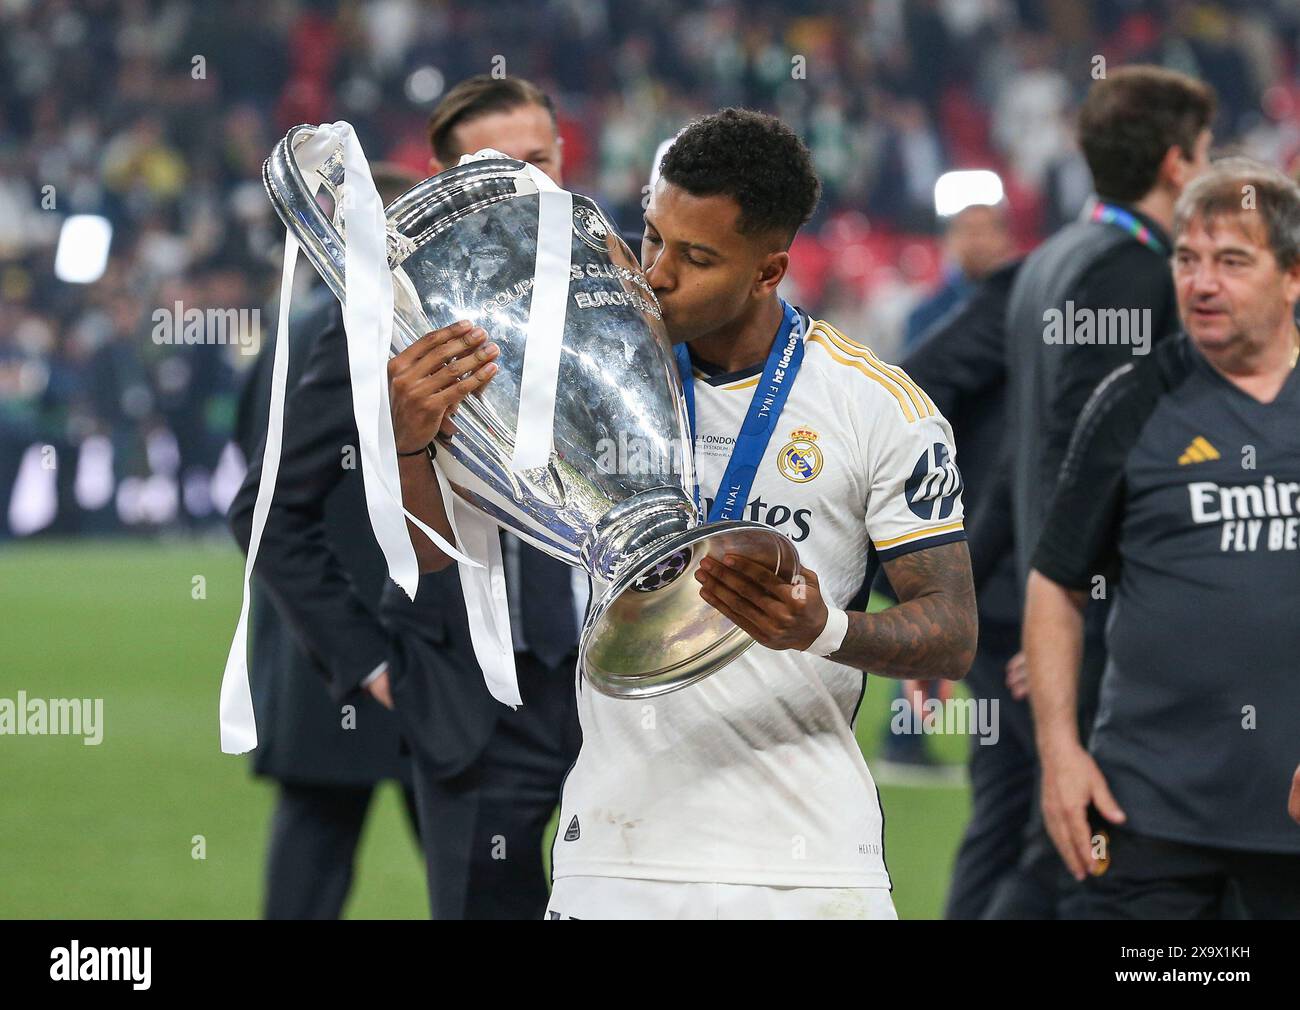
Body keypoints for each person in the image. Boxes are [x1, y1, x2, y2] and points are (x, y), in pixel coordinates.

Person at [392, 108, 978, 920]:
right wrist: (408, 444)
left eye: (696, 257)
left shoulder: (878, 408)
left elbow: (951, 629)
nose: (657, 272)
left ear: (769, 271)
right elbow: (437, 560)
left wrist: (823, 630)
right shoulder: (575, 381)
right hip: (614, 857)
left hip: (805, 869)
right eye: (652, 237)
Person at [231, 75, 583, 920]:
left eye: (537, 161)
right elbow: (268, 511)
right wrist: (372, 664)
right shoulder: (375, 319)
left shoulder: (612, 294)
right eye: (492, 168)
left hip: (614, 691)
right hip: (472, 698)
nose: (522, 186)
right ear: (444, 180)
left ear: (565, 160)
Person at [1027, 158, 1300, 919]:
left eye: (1232, 262)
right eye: (1188, 260)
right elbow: (1056, 582)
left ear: (1294, 277)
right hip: (1144, 818)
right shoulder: (1132, 399)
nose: (1202, 284)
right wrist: (1060, 754)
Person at [991, 64, 1215, 918]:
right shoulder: (1131, 273)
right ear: (1174, 164)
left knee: (1043, 842)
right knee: (1082, 856)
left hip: (1057, 600)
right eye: (1202, 150)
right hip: (1097, 619)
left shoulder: (1052, 259)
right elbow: (1089, 458)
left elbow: (1028, 450)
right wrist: (1069, 608)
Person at [231, 164, 421, 920]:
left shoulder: (291, 325)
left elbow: (255, 480)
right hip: (405, 623)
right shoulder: (396, 324)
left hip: (311, 629)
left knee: (311, 848)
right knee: (471, 860)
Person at [903, 202, 1014, 349]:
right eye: (969, 231)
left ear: (1004, 238)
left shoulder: (1021, 303)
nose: (979, 242)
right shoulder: (926, 315)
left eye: (987, 230)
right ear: (950, 240)